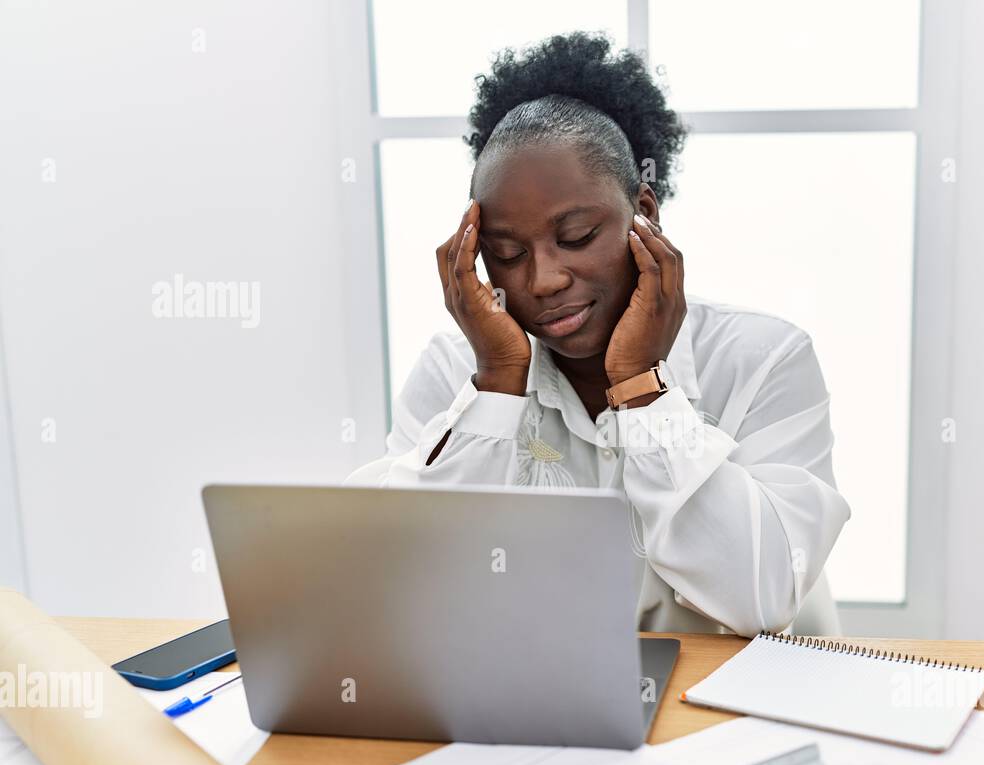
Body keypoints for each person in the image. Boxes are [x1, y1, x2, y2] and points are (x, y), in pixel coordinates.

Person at [347, 32, 851, 637]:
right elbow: (394, 592)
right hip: (546, 707)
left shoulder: (764, 360)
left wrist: (641, 389)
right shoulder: (457, 369)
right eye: (507, 253)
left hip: (742, 708)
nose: (544, 278)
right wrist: (498, 389)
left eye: (577, 236)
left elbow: (762, 596)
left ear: (644, 210)